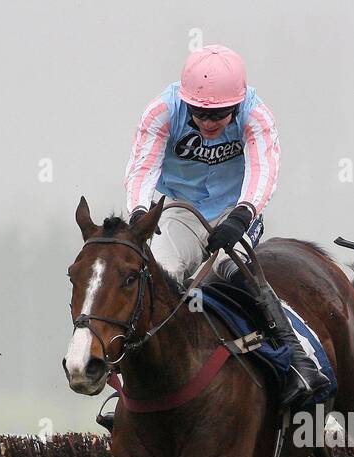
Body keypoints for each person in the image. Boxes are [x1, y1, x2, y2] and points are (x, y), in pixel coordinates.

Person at [104, 44, 327, 429]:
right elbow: (141, 169)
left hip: (235, 210)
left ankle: (299, 362)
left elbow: (263, 172)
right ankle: (131, 384)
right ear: (185, 102)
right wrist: (140, 214)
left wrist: (241, 215)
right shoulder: (161, 111)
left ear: (237, 106)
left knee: (231, 274)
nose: (209, 122)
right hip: (178, 208)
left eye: (220, 115)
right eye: (200, 113)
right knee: (157, 275)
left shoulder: (258, 116)